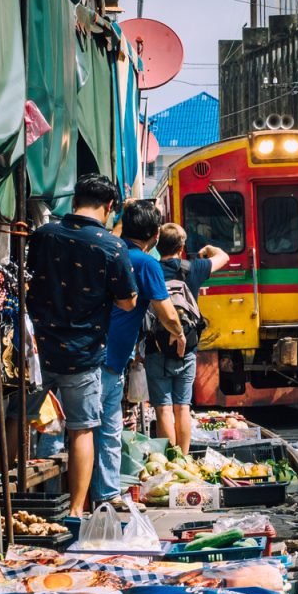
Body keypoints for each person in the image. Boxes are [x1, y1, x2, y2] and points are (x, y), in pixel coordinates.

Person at [26, 174, 138, 516]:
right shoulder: (111, 246)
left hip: (35, 350)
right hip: (83, 352)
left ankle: (17, 499)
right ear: (109, 208)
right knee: (81, 429)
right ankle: (75, 511)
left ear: (75, 201)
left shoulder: (43, 236)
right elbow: (128, 302)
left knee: (22, 419)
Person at [101, 201, 186, 511]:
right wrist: (178, 333)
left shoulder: (110, 248)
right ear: (153, 234)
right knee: (107, 428)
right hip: (110, 357)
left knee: (81, 426)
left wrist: (123, 216)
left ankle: (89, 496)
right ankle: (106, 496)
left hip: (88, 348)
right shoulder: (145, 262)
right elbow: (166, 313)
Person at [145, 222, 229, 451]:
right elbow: (223, 257)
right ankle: (183, 456)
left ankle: (169, 461)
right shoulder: (193, 268)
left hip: (155, 347)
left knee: (162, 407)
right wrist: (208, 249)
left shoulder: (150, 269)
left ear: (157, 245)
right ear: (181, 246)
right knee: (182, 407)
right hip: (187, 349)